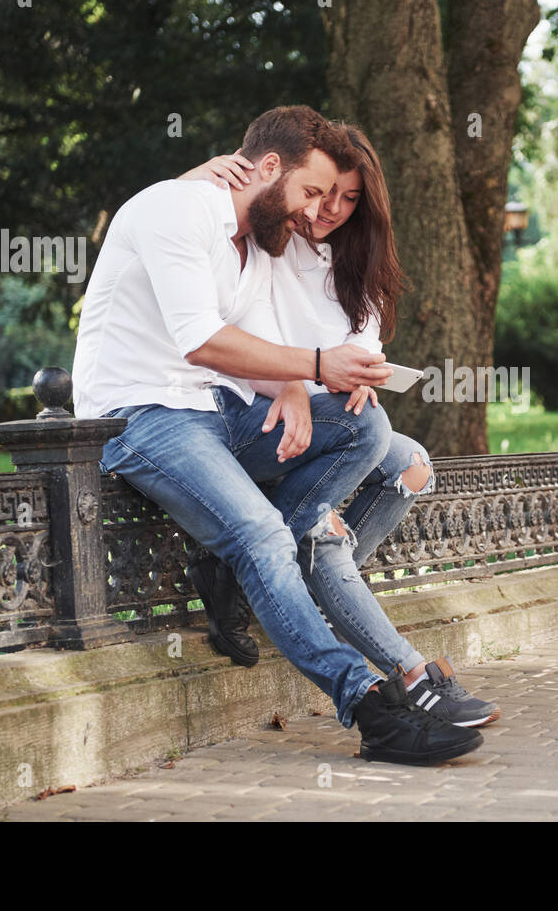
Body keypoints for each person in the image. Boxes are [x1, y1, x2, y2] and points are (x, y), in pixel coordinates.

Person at [72, 105, 483, 765]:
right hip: (141, 417)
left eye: (329, 197)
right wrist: (314, 367)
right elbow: (201, 340)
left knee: (363, 425)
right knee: (262, 532)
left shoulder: (255, 244)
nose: (316, 211)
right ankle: (375, 711)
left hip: (216, 409)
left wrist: (291, 386)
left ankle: (246, 568)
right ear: (268, 168)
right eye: (310, 191)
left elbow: (254, 346)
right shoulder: (176, 209)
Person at [178, 126, 500, 727]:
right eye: (324, 193)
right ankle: (408, 673)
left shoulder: (358, 264)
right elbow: (206, 228)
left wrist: (361, 382)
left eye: (348, 199)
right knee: (324, 527)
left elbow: (363, 349)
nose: (328, 209)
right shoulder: (276, 233)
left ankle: (299, 576)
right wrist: (204, 170)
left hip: (330, 413)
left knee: (410, 463)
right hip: (267, 408)